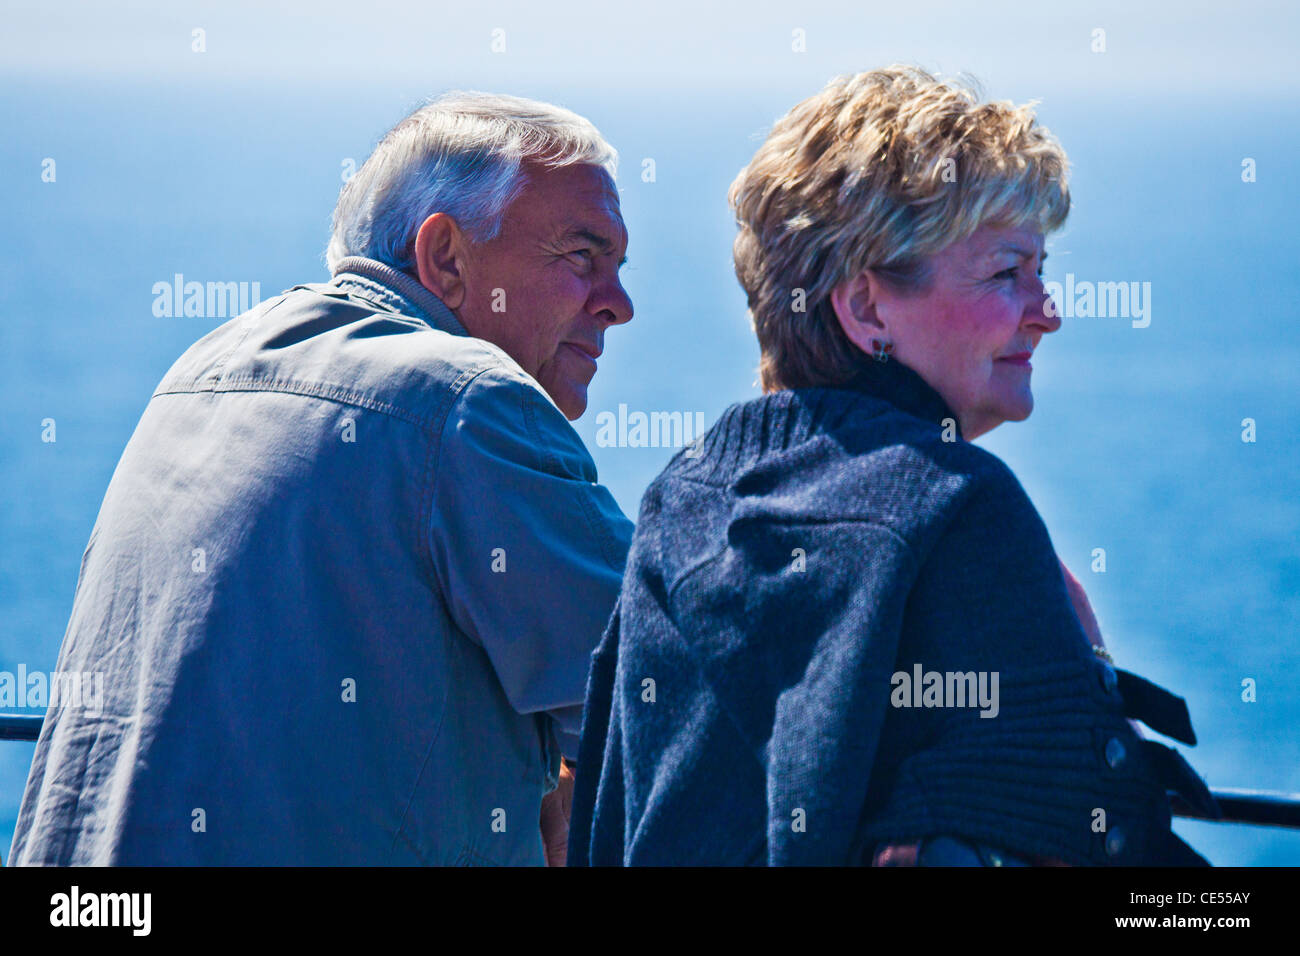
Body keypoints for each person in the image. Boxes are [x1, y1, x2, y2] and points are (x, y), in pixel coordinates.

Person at [567, 65, 1218, 867]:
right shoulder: (957, 507)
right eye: (1007, 273)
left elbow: (609, 815)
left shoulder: (682, 497)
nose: (1047, 313)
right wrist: (1087, 669)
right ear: (868, 308)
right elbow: (1103, 849)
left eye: (1041, 274)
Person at [9, 92, 634, 866]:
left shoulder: (201, 369)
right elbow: (670, 705)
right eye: (581, 257)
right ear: (445, 258)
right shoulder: (469, 399)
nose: (619, 305)